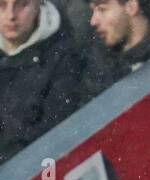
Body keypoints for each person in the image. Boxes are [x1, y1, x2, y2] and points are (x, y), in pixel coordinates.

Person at [0, 0, 86, 162]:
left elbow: (53, 137)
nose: (11, 16)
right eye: (1, 5)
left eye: (21, 5)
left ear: (38, 4)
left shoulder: (64, 57)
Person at [83, 0, 150, 94]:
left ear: (131, 7)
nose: (93, 21)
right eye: (92, 12)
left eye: (102, 9)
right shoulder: (99, 66)